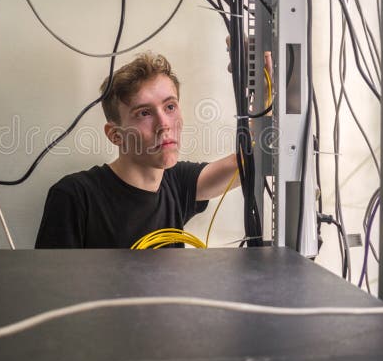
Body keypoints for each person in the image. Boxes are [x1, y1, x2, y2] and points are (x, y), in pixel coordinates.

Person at [35, 52, 240, 248]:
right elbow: (50, 283)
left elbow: (250, 161)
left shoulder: (177, 183)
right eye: (144, 113)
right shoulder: (75, 197)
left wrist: (261, 92)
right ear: (115, 135)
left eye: (170, 107)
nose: (164, 125)